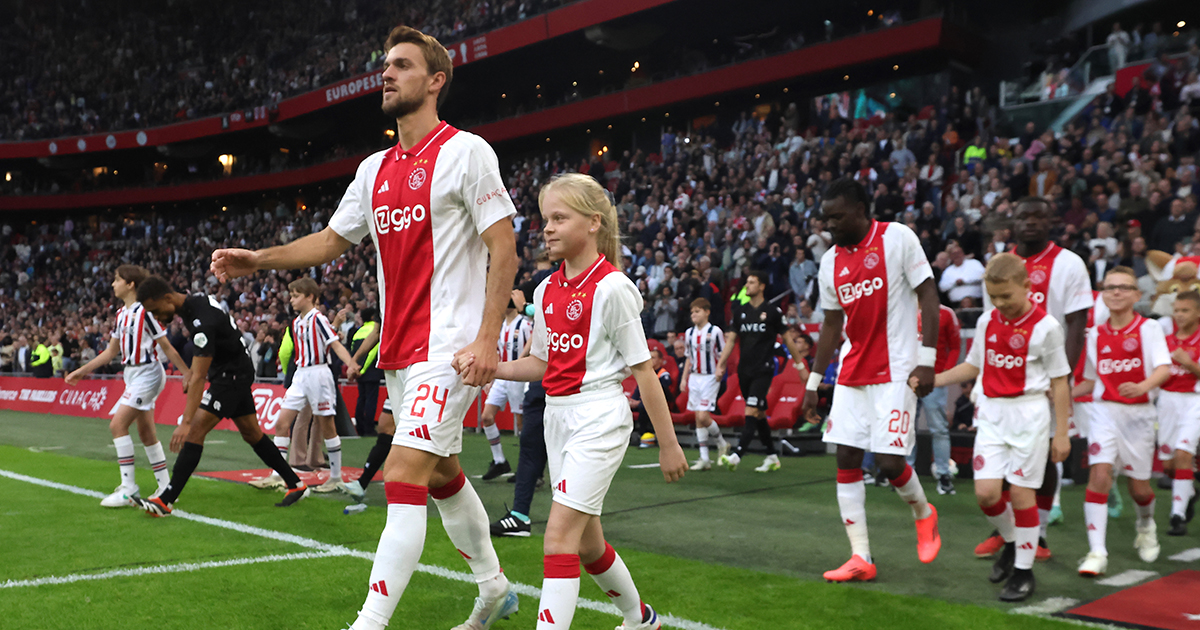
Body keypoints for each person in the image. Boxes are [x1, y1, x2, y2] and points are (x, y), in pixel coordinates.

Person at [209, 25, 520, 630]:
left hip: (449, 349)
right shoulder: (373, 168)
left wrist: (487, 338)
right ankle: (494, 588)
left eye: (401, 65)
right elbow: (330, 240)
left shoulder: (467, 152)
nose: (387, 73)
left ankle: (368, 624)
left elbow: (503, 249)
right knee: (444, 474)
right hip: (401, 352)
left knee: (403, 472)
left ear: (435, 82)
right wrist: (258, 258)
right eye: (385, 65)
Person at [473, 172, 687, 630]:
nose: (546, 228)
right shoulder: (546, 290)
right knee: (588, 544)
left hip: (599, 417)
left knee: (557, 538)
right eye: (545, 218)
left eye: (559, 218)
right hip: (558, 416)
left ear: (593, 223)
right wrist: (491, 367)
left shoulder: (613, 288)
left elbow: (643, 371)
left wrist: (668, 444)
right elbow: (539, 362)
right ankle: (641, 619)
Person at [801, 177, 943, 582]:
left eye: (838, 217)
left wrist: (927, 361)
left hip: (898, 368)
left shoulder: (898, 238)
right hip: (852, 371)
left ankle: (922, 511)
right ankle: (860, 556)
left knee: (888, 461)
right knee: (846, 458)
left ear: (862, 210)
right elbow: (831, 324)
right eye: (826, 218)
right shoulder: (830, 261)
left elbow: (928, 295)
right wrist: (813, 383)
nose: (831, 225)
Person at [933, 253, 1072, 601]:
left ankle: (1024, 572)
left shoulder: (1047, 328)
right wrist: (933, 380)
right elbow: (972, 366)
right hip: (992, 414)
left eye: (1006, 296)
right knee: (987, 494)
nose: (999, 303)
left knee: (1022, 494)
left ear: (1027, 287)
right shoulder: (985, 322)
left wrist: (1062, 432)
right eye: (993, 296)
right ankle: (1011, 542)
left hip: (1029, 415)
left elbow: (1060, 383)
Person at [976, 197, 1093, 561]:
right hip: (1004, 376)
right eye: (1023, 216)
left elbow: (1077, 324)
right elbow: (991, 320)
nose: (1030, 222)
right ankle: (1009, 532)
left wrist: (1063, 379)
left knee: (1042, 463)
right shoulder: (999, 265)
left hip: (1046, 377)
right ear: (1012, 220)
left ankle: (1037, 535)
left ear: (1050, 220)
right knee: (1003, 464)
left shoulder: (1069, 263)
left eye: (1037, 216)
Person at [133, 276, 312, 515]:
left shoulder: (200, 319)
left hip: (232, 375)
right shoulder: (194, 303)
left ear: (168, 298)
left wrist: (185, 422)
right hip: (233, 371)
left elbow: (199, 376)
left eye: (156, 311)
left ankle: (166, 500)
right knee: (251, 433)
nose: (156, 316)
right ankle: (295, 484)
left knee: (194, 431)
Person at [65, 264, 192, 508]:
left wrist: (187, 373)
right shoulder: (121, 314)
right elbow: (111, 351)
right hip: (131, 374)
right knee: (146, 433)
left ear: (130, 284)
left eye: (117, 279)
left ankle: (129, 489)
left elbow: (166, 346)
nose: (113, 284)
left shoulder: (145, 311)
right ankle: (166, 486)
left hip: (147, 373)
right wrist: (82, 371)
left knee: (117, 425)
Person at [1073, 267, 1171, 577]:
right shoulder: (1095, 335)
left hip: (1139, 416)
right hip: (1104, 412)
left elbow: (1164, 368)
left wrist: (1143, 387)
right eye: (1110, 287)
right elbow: (1090, 380)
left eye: (1123, 287)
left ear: (1136, 295)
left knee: (1139, 488)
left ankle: (1145, 524)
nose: (1116, 292)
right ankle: (1096, 552)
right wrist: (1060, 395)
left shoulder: (1149, 329)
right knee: (1100, 474)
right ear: (1102, 294)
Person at [246, 278, 359, 493]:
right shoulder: (297, 322)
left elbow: (334, 344)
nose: (292, 299)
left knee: (327, 426)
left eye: (296, 295)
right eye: (292, 295)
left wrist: (351, 363)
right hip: (300, 374)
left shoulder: (318, 319)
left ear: (310, 297)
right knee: (282, 423)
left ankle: (336, 478)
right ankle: (278, 474)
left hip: (319, 373)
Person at [491, 257, 557, 538]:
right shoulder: (548, 284)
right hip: (542, 382)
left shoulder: (596, 283)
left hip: (572, 388)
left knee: (564, 456)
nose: (548, 230)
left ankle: (575, 522)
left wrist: (526, 308)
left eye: (559, 219)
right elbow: (538, 347)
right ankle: (519, 514)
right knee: (529, 445)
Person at [716, 271, 807, 473]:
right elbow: (731, 340)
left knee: (750, 411)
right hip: (744, 370)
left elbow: (788, 340)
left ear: (762, 286)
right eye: (746, 282)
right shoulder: (740, 311)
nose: (747, 286)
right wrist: (721, 364)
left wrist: (800, 366)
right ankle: (772, 456)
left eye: (751, 282)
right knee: (759, 414)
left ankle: (737, 455)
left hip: (763, 369)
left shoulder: (773, 311)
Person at [1157, 290, 1200, 536]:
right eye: (1176, 310)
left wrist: (1190, 364)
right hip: (1167, 402)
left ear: (1198, 312)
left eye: (1185, 310)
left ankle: (1177, 515)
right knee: (1170, 465)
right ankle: (1189, 491)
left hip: (1194, 401)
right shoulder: (1166, 340)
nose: (1179, 315)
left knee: (1184, 452)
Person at [479, 297, 532, 480]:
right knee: (486, 416)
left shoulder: (524, 324)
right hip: (502, 375)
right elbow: (497, 350)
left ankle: (527, 468)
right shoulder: (502, 325)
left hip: (519, 375)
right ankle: (500, 461)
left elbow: (534, 344)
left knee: (521, 422)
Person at [912, 303, 961, 496]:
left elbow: (955, 346)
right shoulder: (901, 307)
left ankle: (943, 474)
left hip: (934, 380)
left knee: (939, 428)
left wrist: (945, 373)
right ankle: (907, 473)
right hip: (907, 380)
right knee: (907, 427)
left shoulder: (946, 313)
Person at [681, 298, 729, 470]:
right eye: (692, 312)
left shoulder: (715, 331)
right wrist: (684, 378)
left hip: (710, 377)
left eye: (697, 311)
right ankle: (704, 459)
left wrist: (720, 369)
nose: (694, 314)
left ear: (707, 312)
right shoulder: (689, 333)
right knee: (697, 418)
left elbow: (724, 352)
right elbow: (689, 357)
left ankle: (721, 442)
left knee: (703, 416)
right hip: (694, 377)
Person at [350, 308, 383, 436]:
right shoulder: (374, 329)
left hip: (358, 369)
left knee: (361, 398)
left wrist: (354, 367)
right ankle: (369, 429)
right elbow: (372, 351)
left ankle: (360, 427)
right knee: (371, 400)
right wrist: (363, 369)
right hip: (370, 370)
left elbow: (353, 350)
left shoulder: (358, 332)